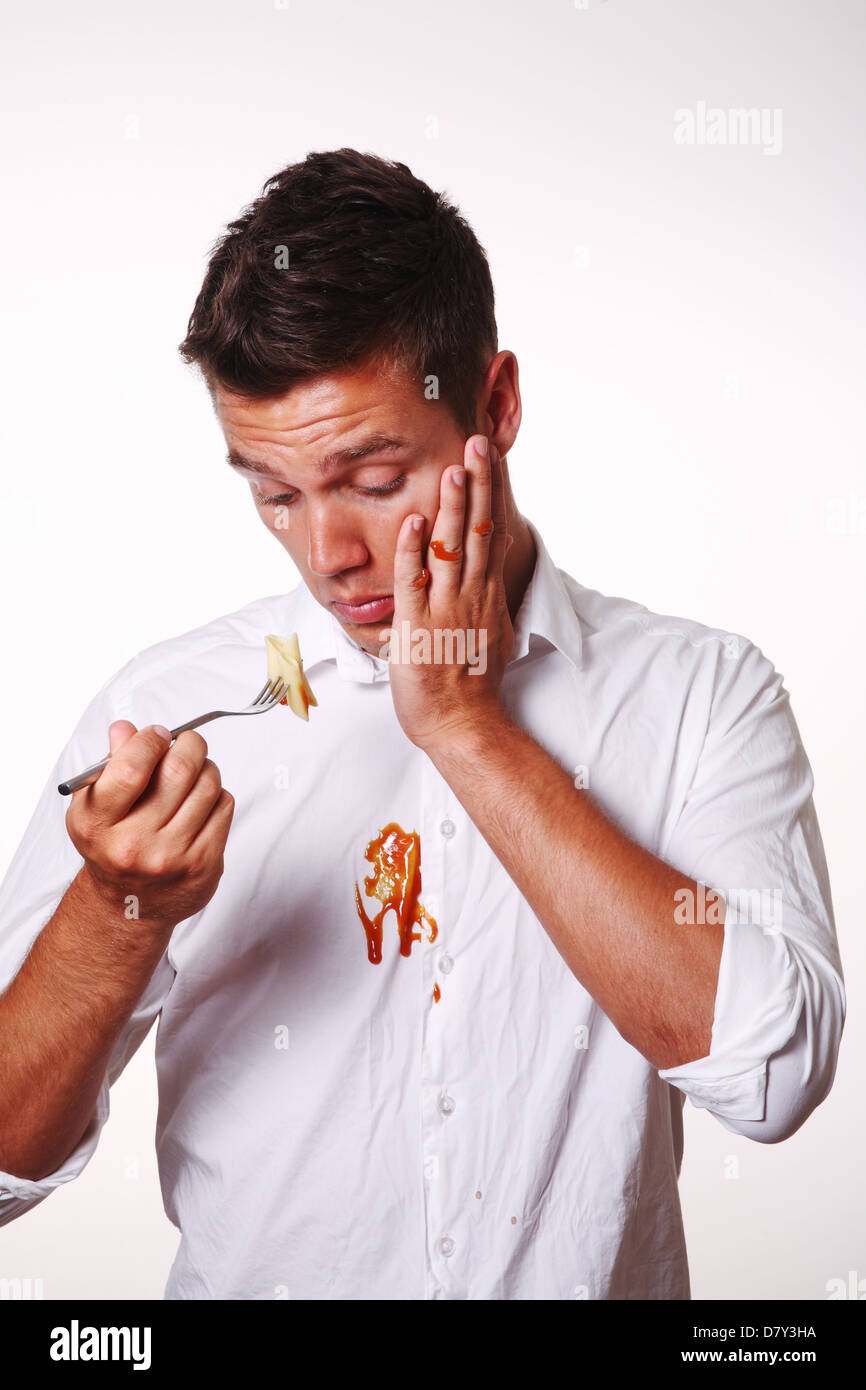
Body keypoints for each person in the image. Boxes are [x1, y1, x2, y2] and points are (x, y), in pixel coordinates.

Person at [0, 150, 845, 1300]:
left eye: (374, 475)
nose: (327, 555)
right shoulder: (170, 706)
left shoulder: (701, 694)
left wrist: (465, 726)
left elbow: (773, 1076)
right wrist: (115, 906)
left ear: (491, 408)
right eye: (274, 492)